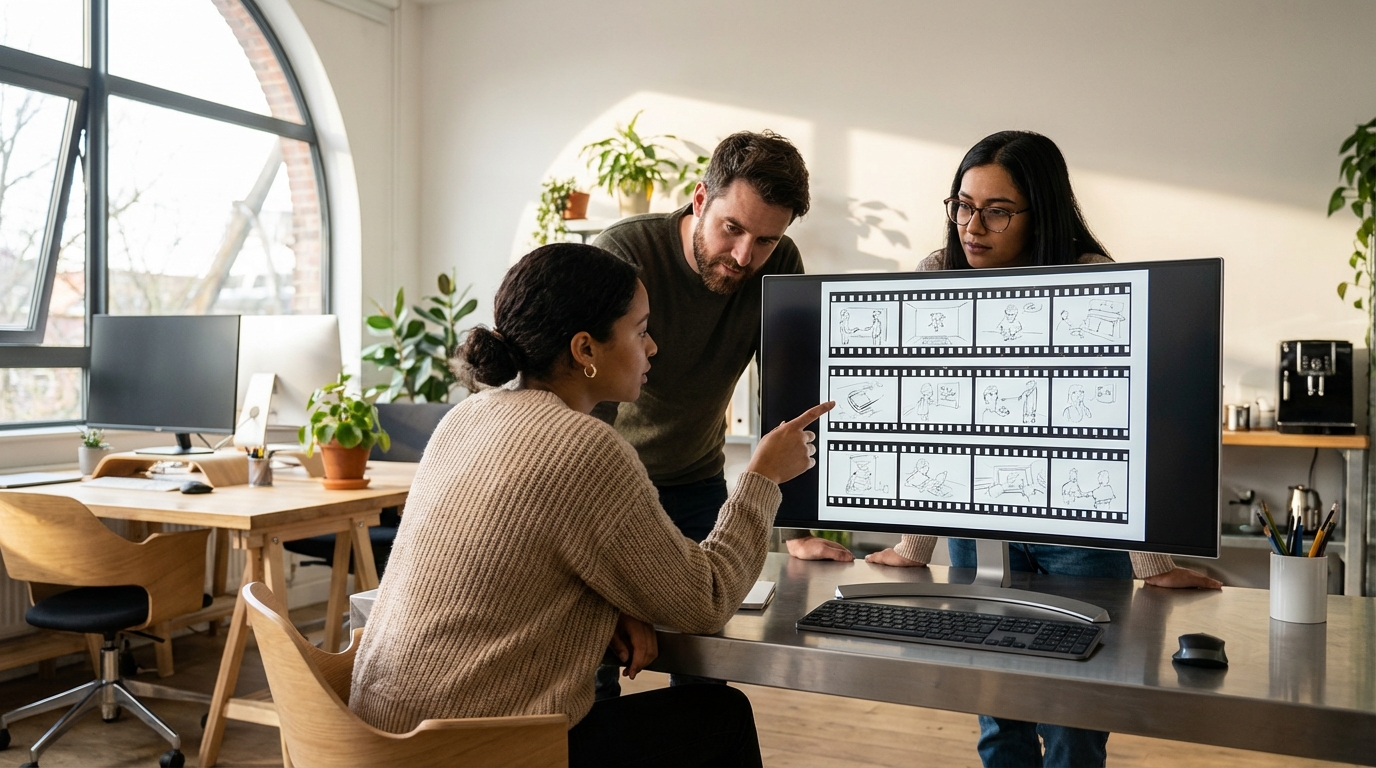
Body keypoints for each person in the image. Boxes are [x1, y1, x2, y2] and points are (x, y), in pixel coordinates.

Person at [348, 243, 833, 767]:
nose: (652, 349)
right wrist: (762, 477)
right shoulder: (585, 450)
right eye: (641, 330)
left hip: (375, 740)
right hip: (481, 750)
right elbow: (707, 599)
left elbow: (522, 567)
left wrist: (611, 604)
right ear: (585, 350)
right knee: (721, 715)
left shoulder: (467, 417)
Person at [865, 130, 1222, 768]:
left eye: (997, 211)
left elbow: (1122, 428)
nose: (973, 226)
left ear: (1042, 211)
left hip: (1078, 534)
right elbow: (933, 424)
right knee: (997, 708)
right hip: (981, 530)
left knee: (1076, 715)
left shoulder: (1091, 280)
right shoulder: (936, 277)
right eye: (962, 205)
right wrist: (914, 547)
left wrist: (1151, 562)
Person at [590, 132, 850, 590]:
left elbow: (787, 398)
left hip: (699, 484)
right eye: (733, 228)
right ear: (699, 199)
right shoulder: (623, 253)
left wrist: (795, 528)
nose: (745, 256)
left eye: (766, 239)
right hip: (612, 483)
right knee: (600, 646)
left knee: (706, 638)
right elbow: (590, 399)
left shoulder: (781, 262)